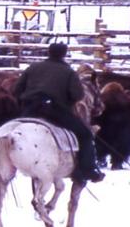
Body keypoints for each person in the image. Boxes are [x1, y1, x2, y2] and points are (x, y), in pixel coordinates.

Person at [14, 42, 103, 183]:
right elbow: (78, 95)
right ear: (64, 54)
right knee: (85, 135)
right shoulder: (68, 72)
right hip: (56, 112)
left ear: (48, 52)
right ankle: (88, 169)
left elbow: (17, 90)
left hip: (30, 110)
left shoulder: (33, 67)